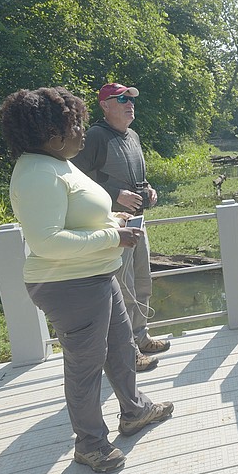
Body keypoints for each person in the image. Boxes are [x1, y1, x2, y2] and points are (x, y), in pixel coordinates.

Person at [0, 86, 174, 473]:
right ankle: (91, 445)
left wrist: (113, 220)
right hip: (69, 286)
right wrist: (114, 237)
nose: (82, 131)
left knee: (121, 347)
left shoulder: (57, 163)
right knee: (85, 367)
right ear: (50, 132)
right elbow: (47, 241)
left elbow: (76, 218)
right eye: (74, 124)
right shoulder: (36, 173)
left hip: (95, 275)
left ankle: (135, 411)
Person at [71, 82, 170, 372]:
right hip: (113, 226)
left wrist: (148, 189)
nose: (130, 104)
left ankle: (141, 336)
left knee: (142, 281)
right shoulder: (95, 137)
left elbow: (137, 175)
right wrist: (115, 195)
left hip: (138, 221)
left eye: (131, 99)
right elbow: (76, 180)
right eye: (122, 99)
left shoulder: (133, 136)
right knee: (122, 288)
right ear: (105, 105)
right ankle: (126, 353)